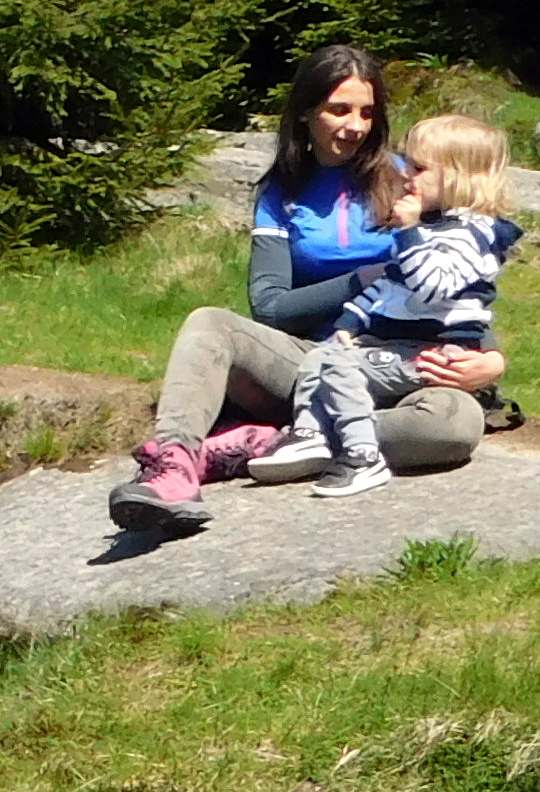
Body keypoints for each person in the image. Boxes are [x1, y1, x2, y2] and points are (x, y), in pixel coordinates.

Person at [107, 42, 504, 537]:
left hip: (403, 370)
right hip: (312, 363)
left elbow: (460, 276)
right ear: (305, 112)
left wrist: (490, 361)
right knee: (210, 323)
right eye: (339, 110)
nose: (354, 126)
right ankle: (174, 467)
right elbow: (270, 307)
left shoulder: (411, 179)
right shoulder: (279, 194)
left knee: (453, 425)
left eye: (366, 112)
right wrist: (368, 278)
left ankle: (277, 442)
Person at [294, 115, 520, 501]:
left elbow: (432, 287)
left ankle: (362, 455)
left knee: (339, 366)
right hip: (398, 344)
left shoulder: (471, 235)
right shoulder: (436, 228)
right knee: (323, 356)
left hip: (429, 350)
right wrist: (352, 320)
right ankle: (308, 436)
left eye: (418, 168)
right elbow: (391, 285)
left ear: (457, 177)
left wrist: (408, 232)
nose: (406, 176)